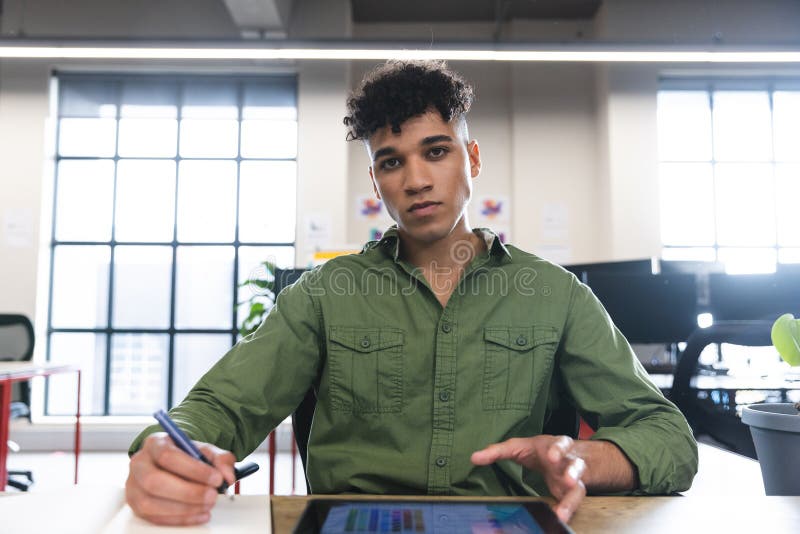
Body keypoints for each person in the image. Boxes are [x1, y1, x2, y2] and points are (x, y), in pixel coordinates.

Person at [125, 60, 698, 526]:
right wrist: (166, 454)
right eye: (392, 162)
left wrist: (585, 458)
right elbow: (215, 410)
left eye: (437, 151)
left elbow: (668, 438)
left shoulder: (555, 295)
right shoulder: (326, 295)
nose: (417, 180)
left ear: (471, 159)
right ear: (376, 182)